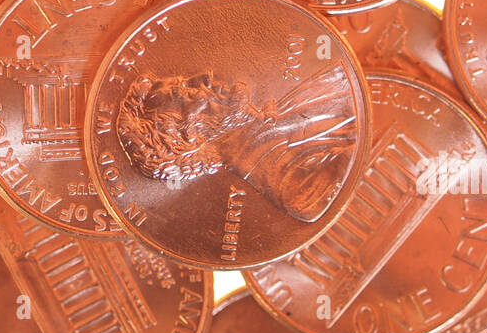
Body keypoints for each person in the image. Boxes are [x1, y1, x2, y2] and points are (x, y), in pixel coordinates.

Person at [114, 65, 358, 223]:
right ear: (191, 136)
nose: (205, 77)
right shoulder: (295, 188)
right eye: (188, 92)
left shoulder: (283, 116)